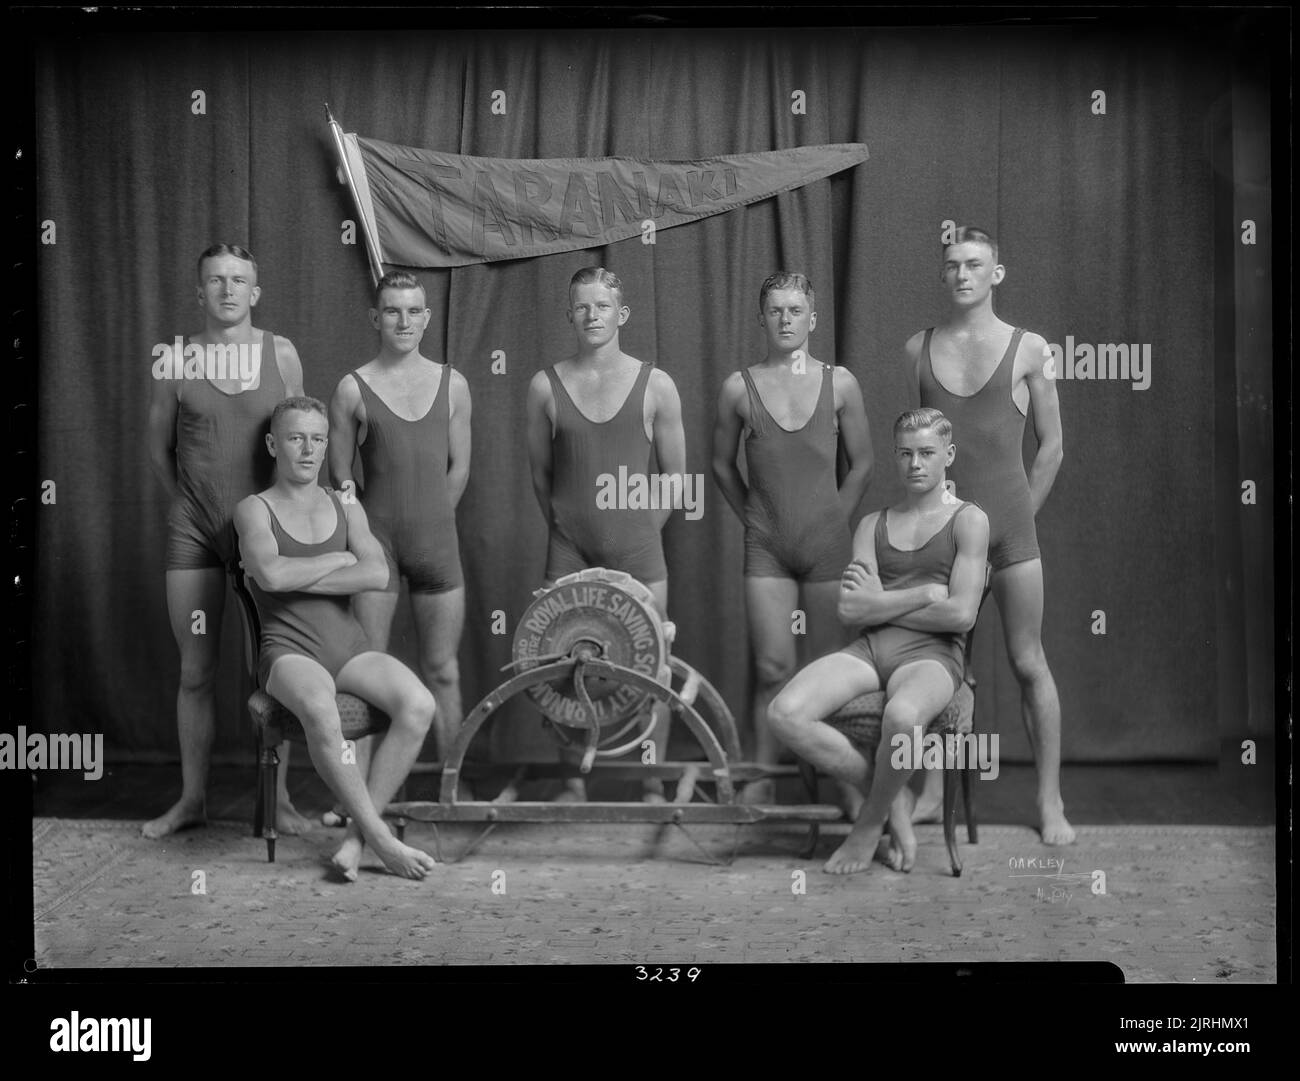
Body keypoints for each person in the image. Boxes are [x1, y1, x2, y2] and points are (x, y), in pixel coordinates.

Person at [767, 408, 989, 874]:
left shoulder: (969, 521)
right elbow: (851, 610)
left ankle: (869, 826)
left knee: (903, 716)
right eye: (906, 454)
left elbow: (961, 614)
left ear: (947, 455)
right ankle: (893, 798)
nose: (916, 464)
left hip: (932, 657)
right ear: (895, 456)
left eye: (927, 453)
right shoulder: (872, 524)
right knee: (784, 713)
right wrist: (924, 593)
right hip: (870, 650)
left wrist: (884, 600)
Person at [909, 226, 1074, 845]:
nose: (962, 274)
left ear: (996, 274)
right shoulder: (915, 350)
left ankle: (1049, 801)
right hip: (945, 541)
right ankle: (930, 791)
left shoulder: (1030, 348)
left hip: (1009, 534)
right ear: (942, 273)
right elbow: (922, 448)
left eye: (974, 265)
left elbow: (1052, 445)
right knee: (935, 664)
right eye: (951, 265)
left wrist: (1018, 520)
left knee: (1029, 661)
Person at [501, 266, 687, 803]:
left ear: (621, 314)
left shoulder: (656, 384)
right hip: (569, 547)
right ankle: (572, 780)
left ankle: (650, 781)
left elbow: (677, 477)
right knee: (562, 663)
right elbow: (541, 476)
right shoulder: (545, 385)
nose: (592, 316)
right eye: (582, 307)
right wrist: (567, 524)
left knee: (654, 664)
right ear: (569, 315)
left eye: (602, 306)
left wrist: (641, 529)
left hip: (640, 547)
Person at [234, 397, 438, 881]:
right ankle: (383, 840)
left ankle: (355, 838)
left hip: (348, 647)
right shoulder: (253, 509)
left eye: (318, 438)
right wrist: (337, 560)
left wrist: (296, 573)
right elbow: (270, 576)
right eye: (295, 438)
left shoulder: (344, 502)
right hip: (288, 651)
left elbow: (375, 572)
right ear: (273, 444)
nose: (309, 450)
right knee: (322, 710)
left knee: (419, 704)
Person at [144, 244, 308, 839]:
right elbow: (160, 448)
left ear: (256, 292)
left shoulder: (281, 354)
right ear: (199, 292)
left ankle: (279, 801)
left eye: (239, 280)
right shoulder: (175, 359)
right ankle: (192, 801)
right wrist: (194, 503)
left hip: (266, 533)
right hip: (194, 535)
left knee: (274, 674)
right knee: (195, 672)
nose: (228, 290)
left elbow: (297, 438)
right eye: (215, 280)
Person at [712, 272, 873, 807]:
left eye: (795, 310)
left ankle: (846, 778)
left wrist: (835, 520)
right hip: (768, 549)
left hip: (828, 545)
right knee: (772, 669)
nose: (785, 320)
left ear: (813, 318)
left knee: (833, 673)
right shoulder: (740, 387)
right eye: (776, 311)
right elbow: (719, 464)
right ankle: (761, 777)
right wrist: (754, 519)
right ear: (761, 319)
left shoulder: (841, 383)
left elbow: (865, 462)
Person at [327, 271, 471, 812]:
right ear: (375, 317)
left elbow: (459, 470)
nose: (404, 322)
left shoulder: (453, 384)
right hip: (376, 549)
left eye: (413, 312)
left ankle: (453, 789)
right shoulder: (350, 388)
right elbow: (341, 483)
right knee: (368, 671)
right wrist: (371, 540)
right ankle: (357, 800)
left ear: (427, 318)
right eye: (392, 311)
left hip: (438, 543)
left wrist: (430, 521)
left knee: (443, 670)